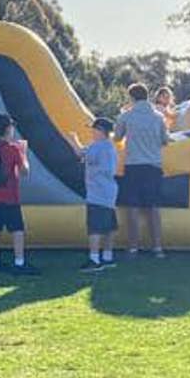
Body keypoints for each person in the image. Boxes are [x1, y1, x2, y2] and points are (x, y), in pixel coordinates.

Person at [114, 83, 167, 259]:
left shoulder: (126, 116)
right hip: (153, 165)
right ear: (147, 96)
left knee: (133, 208)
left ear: (132, 98)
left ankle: (133, 248)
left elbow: (117, 137)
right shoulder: (159, 117)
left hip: (133, 165)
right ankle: (158, 247)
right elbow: (165, 141)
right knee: (154, 209)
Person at [0, 112, 37, 274]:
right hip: (10, 197)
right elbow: (25, 171)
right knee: (17, 229)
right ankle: (19, 263)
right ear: (8, 129)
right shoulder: (13, 149)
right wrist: (23, 152)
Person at [71, 115, 119, 270]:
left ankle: (94, 260)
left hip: (97, 193)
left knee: (95, 228)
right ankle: (107, 256)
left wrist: (72, 140)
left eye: (94, 129)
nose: (92, 132)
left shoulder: (97, 146)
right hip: (109, 192)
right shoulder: (109, 146)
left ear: (100, 131)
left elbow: (80, 154)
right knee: (110, 226)